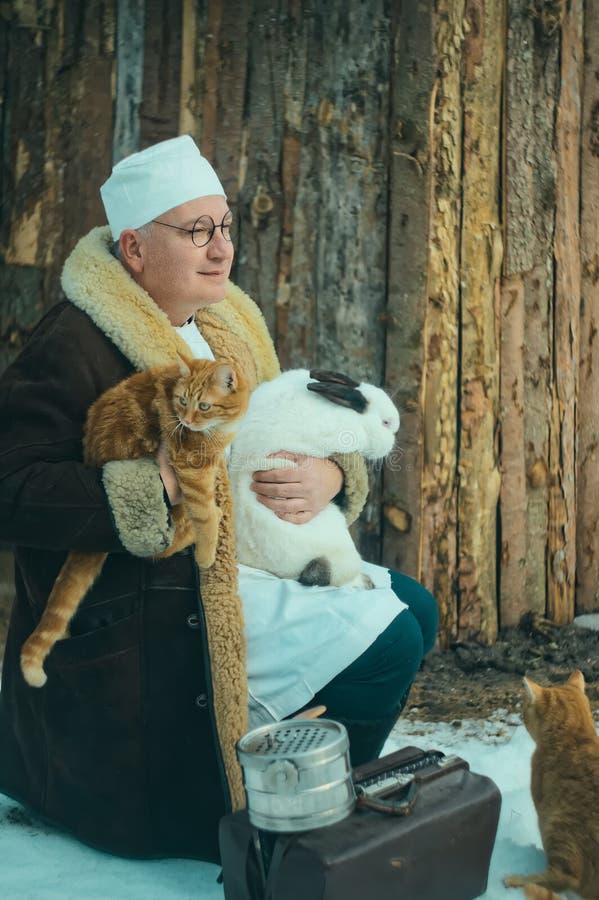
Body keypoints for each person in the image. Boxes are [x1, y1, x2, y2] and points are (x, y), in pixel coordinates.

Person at [0, 136, 438, 862]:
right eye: (195, 230)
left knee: (415, 609)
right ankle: (285, 832)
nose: (220, 248)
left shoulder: (221, 322)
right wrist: (153, 485)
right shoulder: (73, 344)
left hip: (232, 561)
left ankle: (302, 786)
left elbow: (270, 430)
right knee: (388, 640)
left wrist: (331, 476)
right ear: (134, 249)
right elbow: (10, 490)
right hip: (147, 603)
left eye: (225, 225)